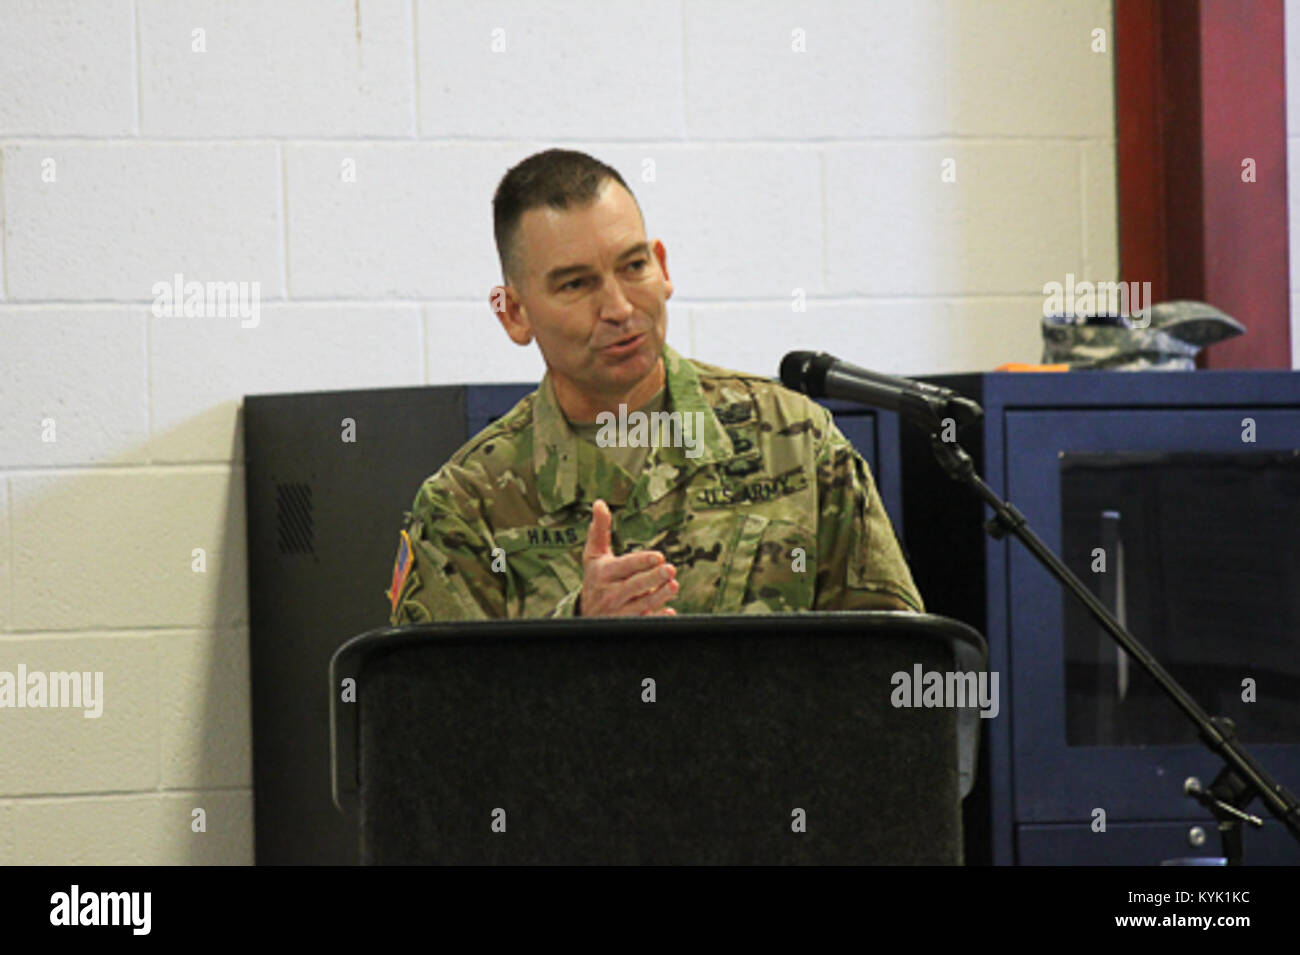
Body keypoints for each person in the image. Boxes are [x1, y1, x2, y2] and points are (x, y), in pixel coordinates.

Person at [386, 149, 923, 622]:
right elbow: (439, 719)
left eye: (634, 266)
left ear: (662, 266)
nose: (620, 309)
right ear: (516, 314)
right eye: (576, 284)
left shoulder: (793, 440)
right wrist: (574, 634)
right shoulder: (470, 504)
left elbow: (888, 664)